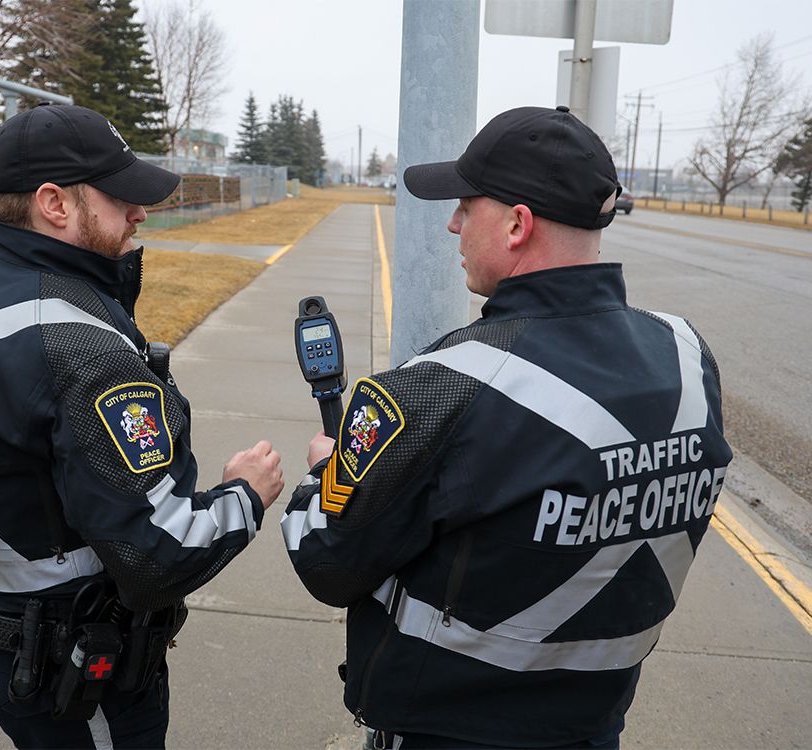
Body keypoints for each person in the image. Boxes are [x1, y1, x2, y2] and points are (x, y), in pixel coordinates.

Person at [281, 105, 732, 749]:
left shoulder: (441, 383)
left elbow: (328, 562)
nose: (453, 224)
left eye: (467, 207)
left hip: (449, 731)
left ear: (518, 225)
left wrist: (322, 476)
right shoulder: (686, 353)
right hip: (596, 726)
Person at [0, 103, 284, 749]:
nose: (140, 212)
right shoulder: (82, 351)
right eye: (119, 196)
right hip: (69, 664)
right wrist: (245, 495)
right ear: (54, 204)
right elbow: (156, 556)